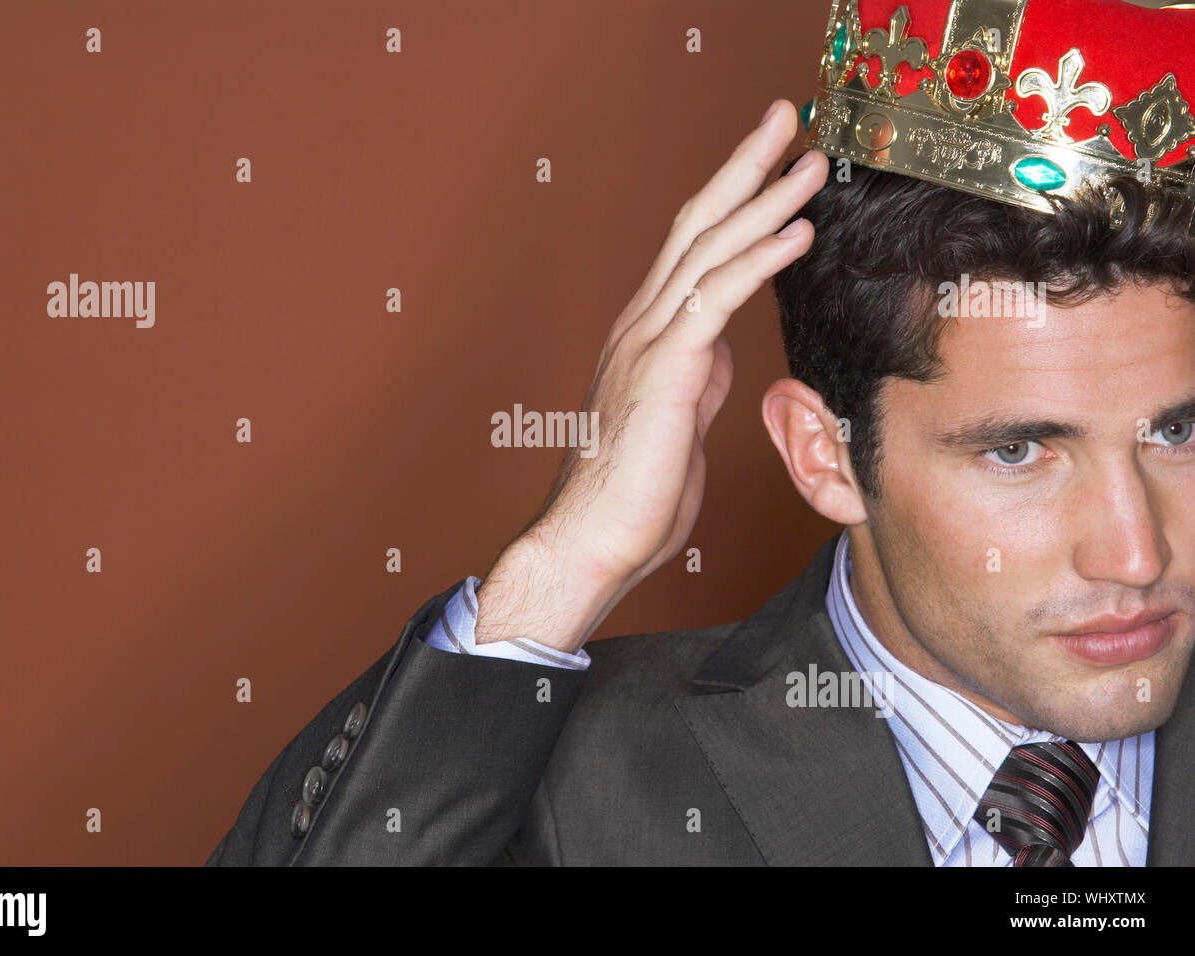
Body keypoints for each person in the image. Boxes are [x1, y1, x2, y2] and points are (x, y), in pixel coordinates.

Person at [207, 0, 1195, 866]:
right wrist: (567, 557)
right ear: (826, 454)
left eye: (1180, 429)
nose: (1135, 551)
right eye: (1017, 450)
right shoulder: (574, 779)